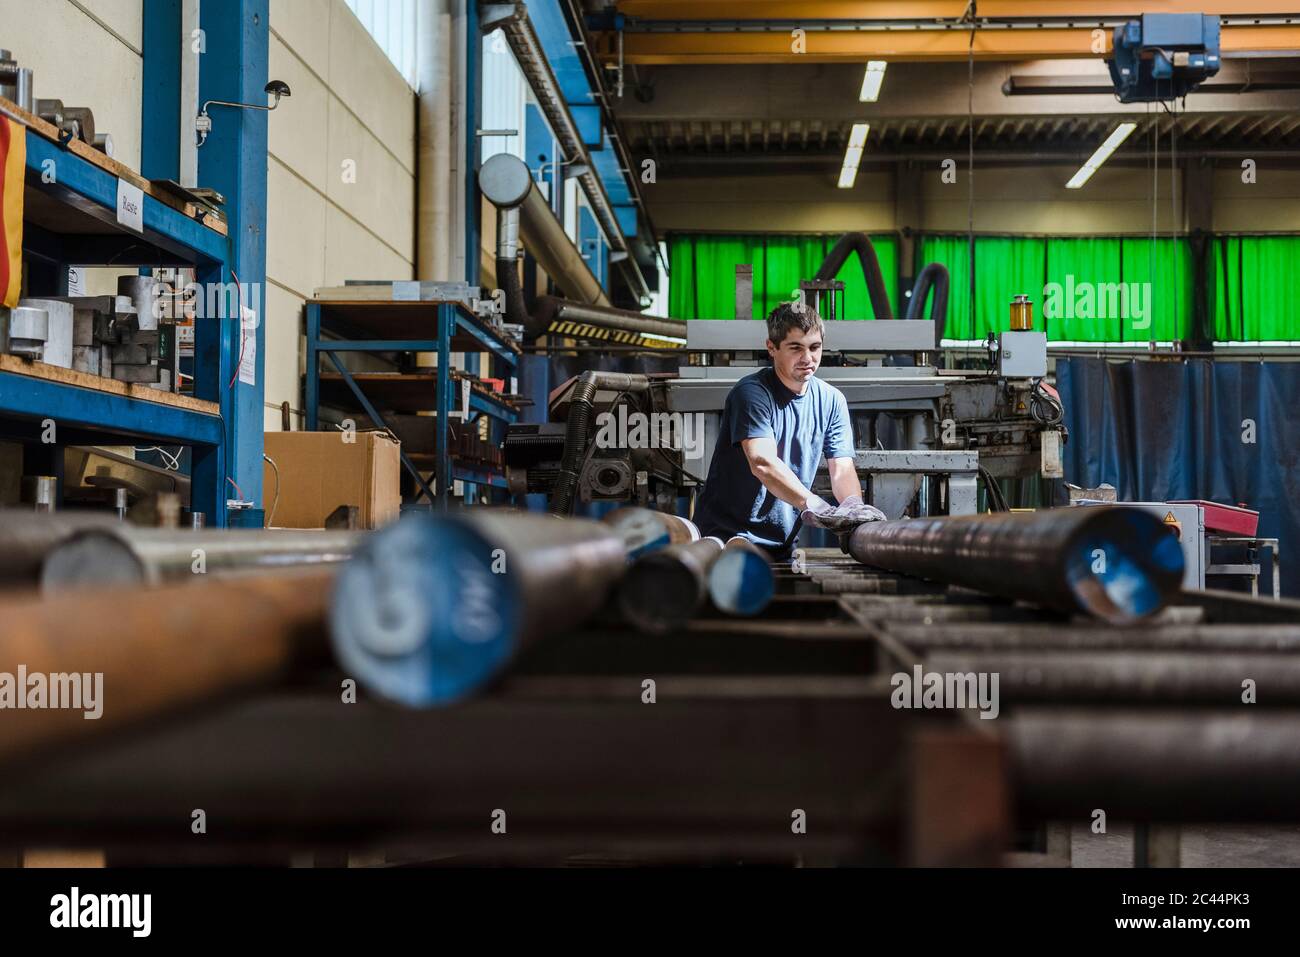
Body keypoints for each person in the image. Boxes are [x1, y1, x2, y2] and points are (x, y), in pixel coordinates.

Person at [692, 301, 884, 560]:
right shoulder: (752, 394)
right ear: (771, 348)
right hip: (726, 539)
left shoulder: (831, 400)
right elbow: (763, 463)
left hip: (780, 544)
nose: (808, 358)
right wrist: (815, 504)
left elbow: (842, 469)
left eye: (815, 347)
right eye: (796, 348)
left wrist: (852, 507)